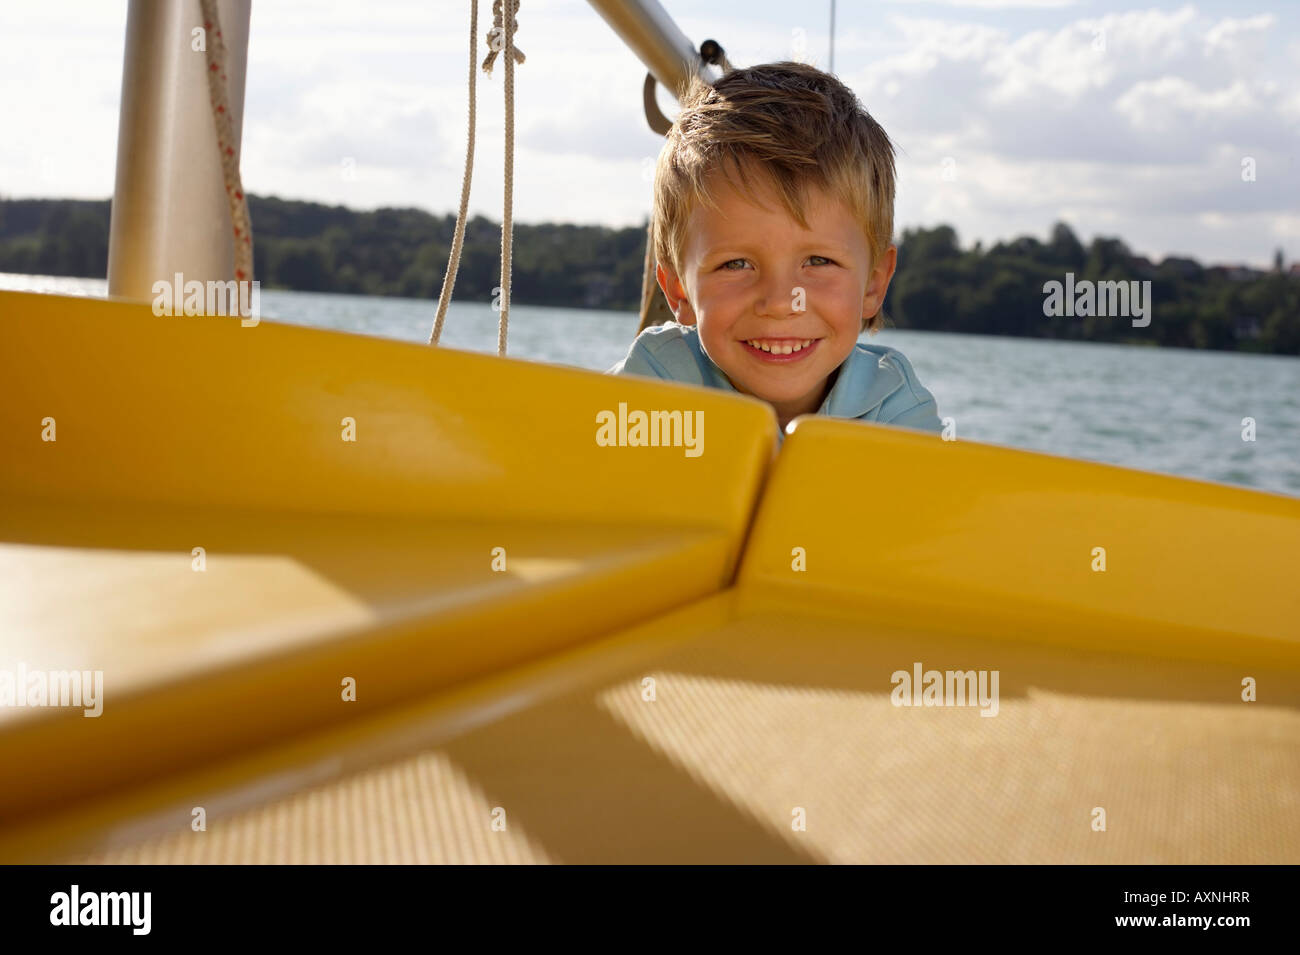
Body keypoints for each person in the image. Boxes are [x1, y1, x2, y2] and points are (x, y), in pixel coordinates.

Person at [609, 61, 942, 439]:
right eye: (736, 264)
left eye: (818, 261)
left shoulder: (894, 405)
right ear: (678, 291)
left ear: (873, 285)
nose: (782, 303)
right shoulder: (656, 381)